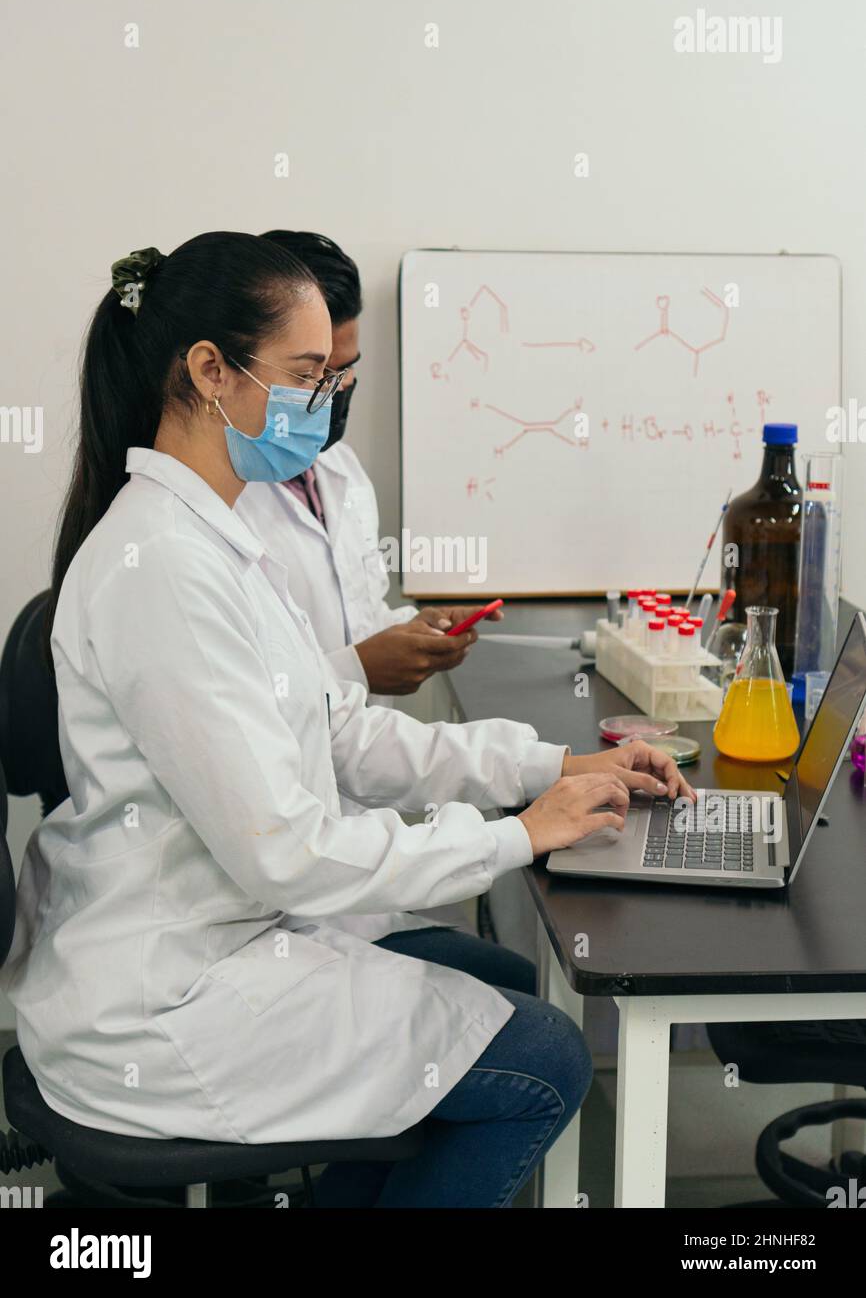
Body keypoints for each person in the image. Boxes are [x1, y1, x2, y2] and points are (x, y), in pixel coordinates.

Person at [1, 234, 694, 1207]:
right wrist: (510, 835)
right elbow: (286, 853)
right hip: (165, 999)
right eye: (304, 376)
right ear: (209, 371)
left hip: (232, 934)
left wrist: (552, 765)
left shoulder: (218, 537)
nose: (324, 405)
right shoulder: (161, 568)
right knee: (541, 1063)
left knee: (495, 991)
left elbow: (343, 735)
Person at [234, 230, 498, 705]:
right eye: (309, 374)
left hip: (356, 763)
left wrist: (415, 630)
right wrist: (356, 670)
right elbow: (237, 700)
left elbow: (357, 616)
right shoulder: (219, 497)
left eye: (344, 369)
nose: (332, 391)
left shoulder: (341, 469)